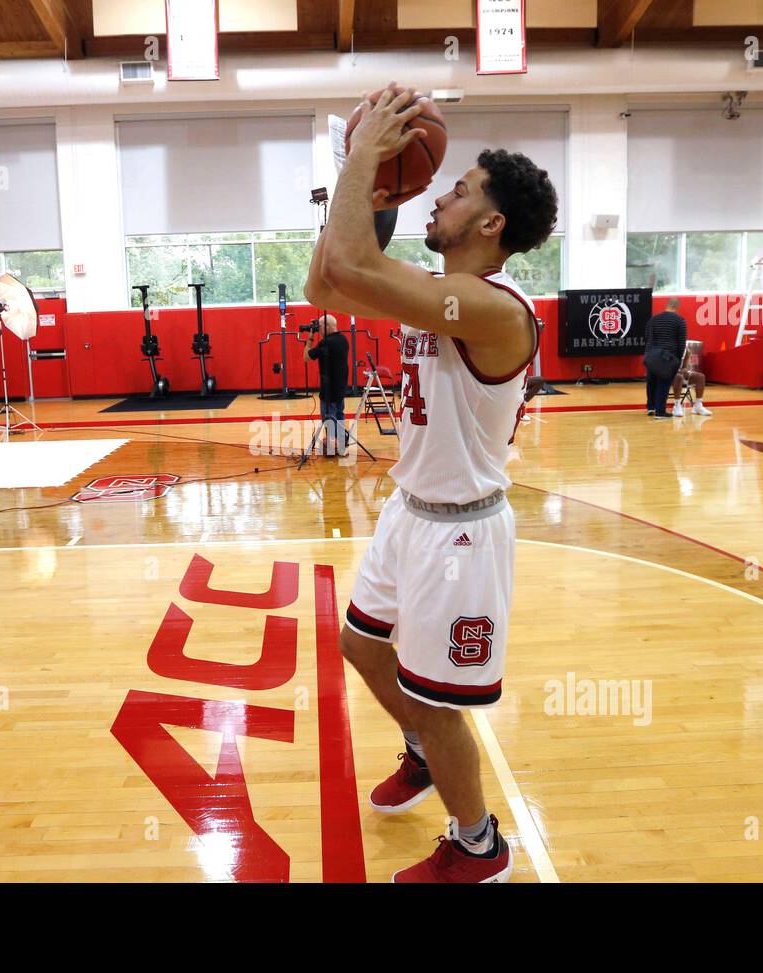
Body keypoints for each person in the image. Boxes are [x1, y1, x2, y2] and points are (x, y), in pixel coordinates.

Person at [304, 83, 557, 883]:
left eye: (460, 188)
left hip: (462, 531)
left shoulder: (494, 309)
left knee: (445, 701)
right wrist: (369, 190)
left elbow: (349, 263)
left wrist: (357, 162)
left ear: (492, 224)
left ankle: (479, 843)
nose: (440, 191)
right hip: (410, 511)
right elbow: (325, 282)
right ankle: (420, 749)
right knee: (357, 642)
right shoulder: (434, 291)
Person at [306, 313, 349, 455]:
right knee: (339, 415)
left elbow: (306, 357)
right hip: (341, 388)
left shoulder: (326, 343)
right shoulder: (343, 340)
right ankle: (341, 444)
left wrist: (310, 338)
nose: (318, 329)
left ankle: (332, 447)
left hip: (328, 389)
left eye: (319, 326)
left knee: (329, 418)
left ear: (327, 326)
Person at [643, 298, 686, 419]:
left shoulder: (653, 319)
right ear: (677, 307)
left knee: (651, 382)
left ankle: (651, 407)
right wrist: (679, 360)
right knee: (664, 384)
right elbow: (681, 343)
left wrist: (648, 354)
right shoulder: (679, 321)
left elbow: (647, 337)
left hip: (651, 354)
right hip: (668, 356)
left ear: (667, 305)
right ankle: (661, 412)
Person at [669, 349, 712, 417]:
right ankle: (677, 405)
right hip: (668, 374)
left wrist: (684, 370)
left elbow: (684, 367)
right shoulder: (669, 348)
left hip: (680, 373)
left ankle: (698, 405)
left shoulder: (687, 351)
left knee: (700, 377)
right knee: (678, 377)